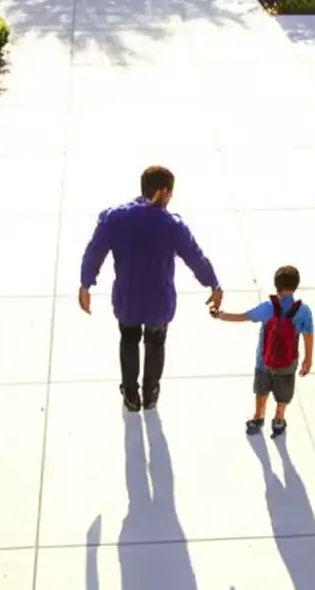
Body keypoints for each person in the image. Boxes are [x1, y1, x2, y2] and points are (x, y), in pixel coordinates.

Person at [80, 166, 223, 412]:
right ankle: (151, 391)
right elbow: (194, 257)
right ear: (163, 191)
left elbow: (94, 253)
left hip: (128, 299)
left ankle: (131, 394)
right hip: (159, 301)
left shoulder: (114, 218)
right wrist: (213, 283)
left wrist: (85, 284)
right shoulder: (172, 225)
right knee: (156, 343)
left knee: (128, 339)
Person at [212, 266, 314, 438]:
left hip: (264, 360)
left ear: (277, 286)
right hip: (288, 363)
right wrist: (308, 359)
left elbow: (243, 316)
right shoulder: (303, 311)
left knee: (261, 391)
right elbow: (308, 334)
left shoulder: (268, 308)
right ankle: (279, 419)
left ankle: (258, 417)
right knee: (284, 394)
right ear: (296, 286)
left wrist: (220, 315)